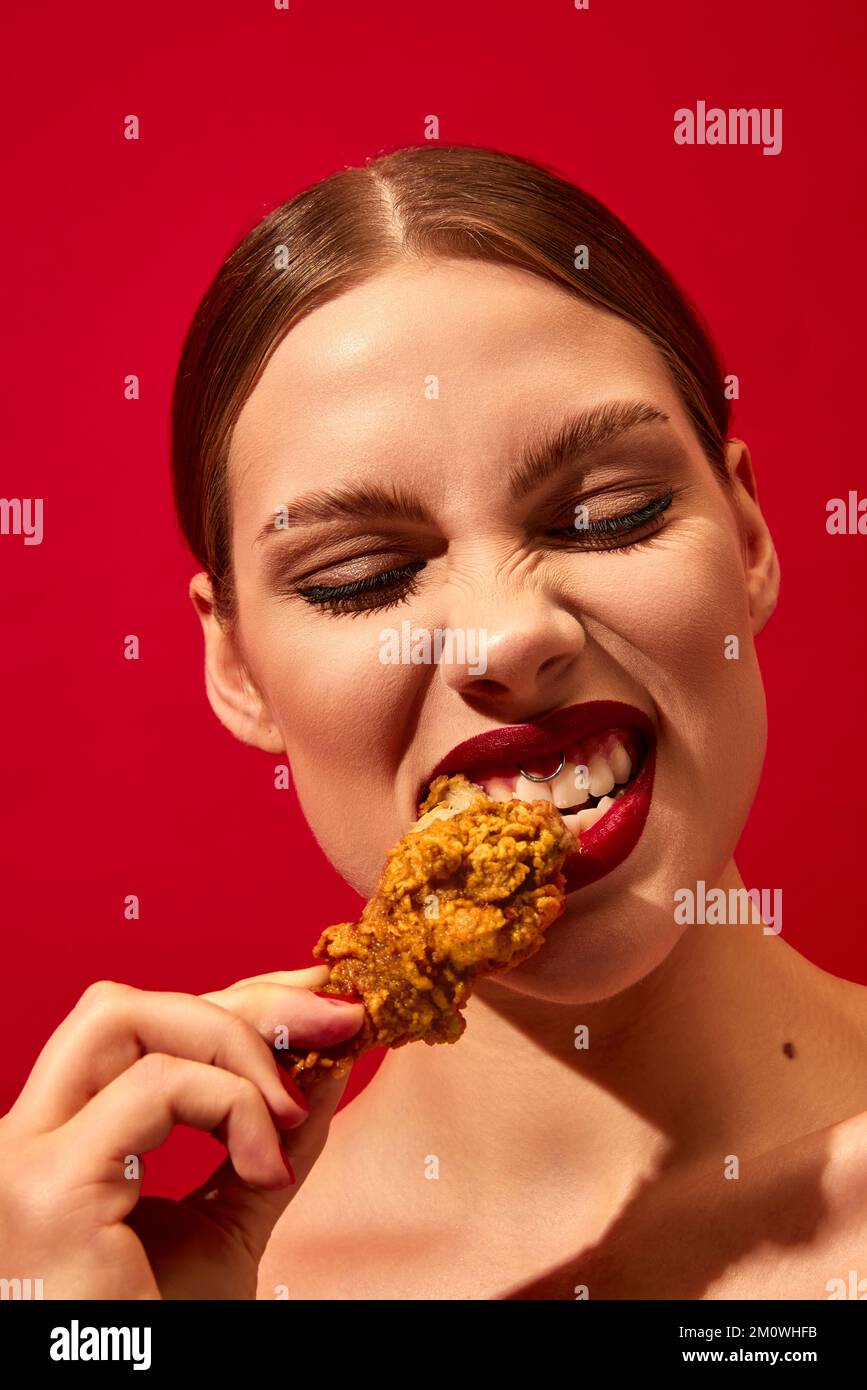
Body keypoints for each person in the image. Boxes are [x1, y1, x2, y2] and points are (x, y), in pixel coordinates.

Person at [3, 145, 866, 1301]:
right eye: (359, 578)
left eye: (611, 513)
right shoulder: (181, 1278)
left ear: (749, 540)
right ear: (238, 666)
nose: (504, 636)